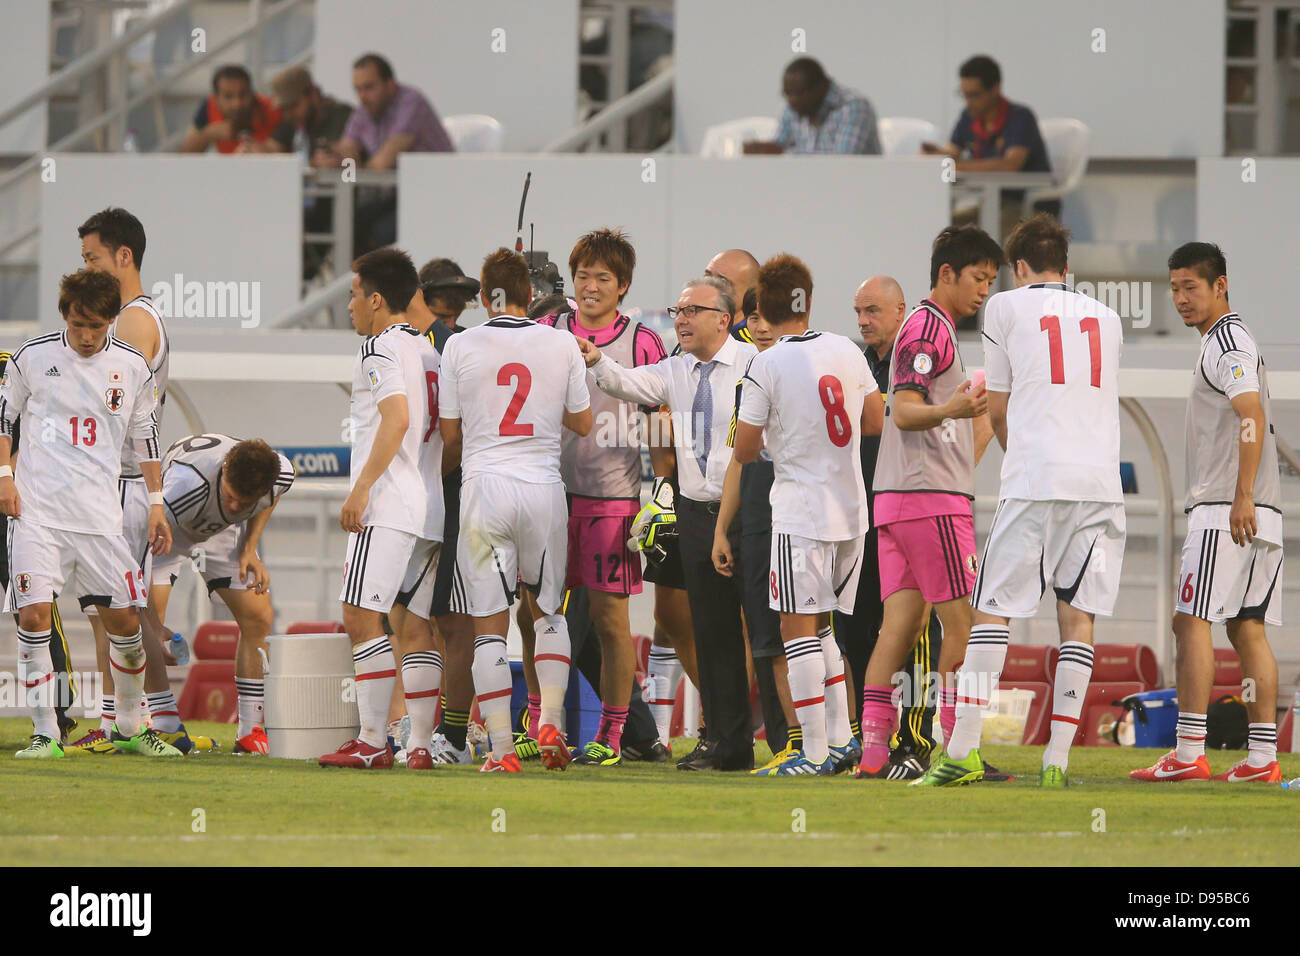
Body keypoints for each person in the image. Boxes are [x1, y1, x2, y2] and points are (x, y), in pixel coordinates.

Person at [948, 214, 1126, 788]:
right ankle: (1057, 762)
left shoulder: (1004, 306)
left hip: (1035, 478)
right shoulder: (1109, 316)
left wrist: (1014, 453)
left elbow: (997, 406)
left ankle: (963, 750)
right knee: (1077, 619)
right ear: (1067, 267)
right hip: (1100, 484)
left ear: (1018, 267)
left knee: (992, 612)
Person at [578, 277, 758, 771]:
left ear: (724, 319)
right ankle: (724, 741)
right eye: (677, 309)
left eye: (692, 310)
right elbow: (625, 384)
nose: (680, 318)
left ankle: (791, 741)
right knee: (712, 633)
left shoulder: (755, 365)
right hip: (695, 513)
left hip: (748, 511)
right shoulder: (674, 370)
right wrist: (595, 359)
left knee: (764, 632)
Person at [2, 270, 176, 758]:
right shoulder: (32, 357)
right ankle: (44, 732)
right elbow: (4, 415)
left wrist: (157, 503)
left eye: (95, 326)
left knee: (125, 626)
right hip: (38, 515)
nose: (85, 336)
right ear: (65, 315)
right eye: (78, 324)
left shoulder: (133, 367)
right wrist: (4, 477)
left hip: (102, 520)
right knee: (34, 617)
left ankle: (128, 726)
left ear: (111, 320)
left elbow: (146, 438)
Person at [1131, 243, 1285, 784]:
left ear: (1221, 285)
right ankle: (1263, 761)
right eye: (1173, 288)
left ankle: (1189, 750)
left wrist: (1240, 494)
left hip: (1228, 509)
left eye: (1190, 287)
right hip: (1260, 512)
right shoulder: (1229, 341)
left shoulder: (1226, 342)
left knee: (1189, 621)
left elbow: (1251, 413)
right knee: (1247, 629)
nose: (1179, 299)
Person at [856, 225, 1002, 785]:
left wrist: (965, 422)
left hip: (896, 499)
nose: (984, 291)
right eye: (979, 279)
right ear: (947, 274)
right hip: (929, 502)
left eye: (990, 281)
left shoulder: (927, 329)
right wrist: (956, 413)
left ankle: (873, 751)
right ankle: (955, 748)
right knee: (965, 628)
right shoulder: (929, 328)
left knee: (899, 626)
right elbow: (906, 410)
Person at [727, 254, 882, 775]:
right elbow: (877, 418)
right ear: (807, 302)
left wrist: (778, 436)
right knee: (825, 632)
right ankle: (842, 741)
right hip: (852, 512)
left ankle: (813, 751)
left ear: (762, 310)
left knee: (797, 633)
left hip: (800, 514)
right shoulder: (846, 348)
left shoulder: (765, 364)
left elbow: (745, 449)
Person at [439, 248, 592, 773]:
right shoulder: (561, 343)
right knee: (548, 613)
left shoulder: (459, 344)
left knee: (489, 627)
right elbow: (584, 422)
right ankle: (550, 719)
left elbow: (451, 436)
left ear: (484, 298)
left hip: (484, 487)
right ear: (532, 296)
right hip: (544, 488)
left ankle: (503, 749)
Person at [536, 229, 667, 767]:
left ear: (623, 286)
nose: (590, 287)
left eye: (603, 279)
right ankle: (538, 725)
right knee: (538, 614)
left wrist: (663, 492)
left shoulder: (643, 340)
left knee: (613, 621)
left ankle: (612, 736)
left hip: (612, 498)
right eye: (583, 276)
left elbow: (661, 417)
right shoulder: (546, 329)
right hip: (547, 493)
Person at [69, 208, 194, 755]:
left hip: (122, 482)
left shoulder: (135, 321)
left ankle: (119, 723)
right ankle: (161, 723)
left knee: (113, 613)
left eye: (94, 258)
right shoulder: (120, 319)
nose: (88, 269)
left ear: (124, 258)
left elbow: (121, 410)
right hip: (117, 483)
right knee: (123, 611)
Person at [318, 248, 440, 770]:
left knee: (360, 615)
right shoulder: (429, 351)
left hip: (389, 502)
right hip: (429, 506)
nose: (348, 306)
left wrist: (362, 488)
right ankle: (418, 746)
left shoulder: (378, 349)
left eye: (352, 295)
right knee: (416, 628)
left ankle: (371, 741)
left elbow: (395, 420)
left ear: (374, 298)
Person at [840, 276, 945, 780]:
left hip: (911, 511)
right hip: (860, 517)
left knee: (915, 631)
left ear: (901, 309)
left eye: (873, 311)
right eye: (858, 312)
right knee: (856, 628)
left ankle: (917, 740)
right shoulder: (856, 364)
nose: (863, 321)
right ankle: (870, 735)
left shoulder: (919, 355)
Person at [148, 435, 296, 755]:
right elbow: (143, 542)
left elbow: (273, 495)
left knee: (259, 616)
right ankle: (155, 722)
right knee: (148, 626)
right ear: (224, 470)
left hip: (219, 533)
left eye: (245, 503)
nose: (235, 506)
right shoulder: (185, 487)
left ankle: (250, 730)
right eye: (231, 496)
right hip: (169, 530)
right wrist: (151, 624)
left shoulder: (280, 473)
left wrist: (249, 547)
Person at [713, 289, 798, 771]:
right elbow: (738, 461)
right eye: (754, 318)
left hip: (808, 520)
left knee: (816, 634)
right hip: (760, 525)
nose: (761, 327)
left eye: (769, 316)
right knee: (767, 637)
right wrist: (724, 528)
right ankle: (791, 742)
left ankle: (831, 739)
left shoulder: (810, 368)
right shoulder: (751, 382)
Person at [0, 348, 77, 744]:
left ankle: (58, 718)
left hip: (10, 506)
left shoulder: (11, 365)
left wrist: (8, 475)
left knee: (36, 612)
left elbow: (33, 426)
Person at [325, 54, 454, 255]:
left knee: (378, 234)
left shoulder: (411, 103)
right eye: (357, 89)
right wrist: (332, 158)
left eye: (369, 87)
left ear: (390, 84)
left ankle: (382, 285)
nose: (362, 96)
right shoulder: (365, 109)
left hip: (435, 195)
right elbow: (347, 151)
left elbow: (382, 163)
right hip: (398, 194)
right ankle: (360, 284)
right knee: (346, 223)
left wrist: (349, 160)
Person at [922, 55, 1054, 235]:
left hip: (1024, 208)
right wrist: (936, 157)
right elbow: (952, 152)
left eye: (974, 95)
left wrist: (956, 165)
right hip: (989, 203)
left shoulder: (1020, 117)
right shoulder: (969, 116)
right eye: (964, 94)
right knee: (938, 228)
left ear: (995, 89)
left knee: (969, 237)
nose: (968, 102)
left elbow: (1010, 165)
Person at [747, 57, 880, 155]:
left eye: (799, 94)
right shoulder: (793, 110)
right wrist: (765, 151)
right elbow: (780, 144)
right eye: (787, 93)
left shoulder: (853, 107)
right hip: (806, 188)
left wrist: (786, 154)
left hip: (855, 189)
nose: (792, 101)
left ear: (821, 87)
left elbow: (843, 163)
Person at [179, 64, 282, 155]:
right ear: (216, 99)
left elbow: (286, 152)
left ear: (252, 93)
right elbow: (183, 156)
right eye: (228, 96)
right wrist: (208, 134)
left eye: (243, 95)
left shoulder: (273, 108)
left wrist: (263, 151)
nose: (237, 104)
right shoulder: (208, 108)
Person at [268, 66, 354, 160]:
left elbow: (350, 158)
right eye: (284, 109)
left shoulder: (343, 117)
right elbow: (271, 148)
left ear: (314, 95)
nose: (288, 115)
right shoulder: (293, 121)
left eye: (293, 106)